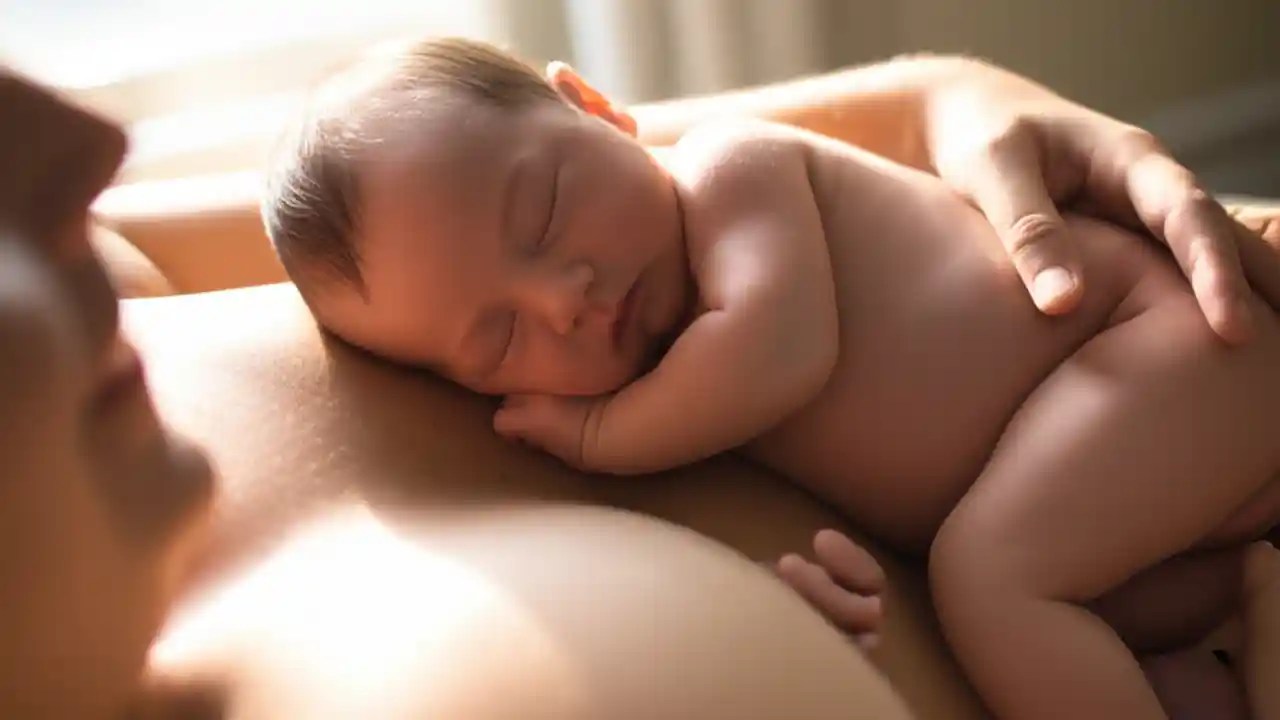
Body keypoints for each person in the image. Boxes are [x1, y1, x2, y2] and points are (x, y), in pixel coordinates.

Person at [4, 44, 1280, 718]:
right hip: (1145, 540)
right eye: (495, 344)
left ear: (604, 112)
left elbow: (781, 349)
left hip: (1145, 338)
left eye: (547, 204)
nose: (561, 298)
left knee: (996, 574)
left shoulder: (727, 181)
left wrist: (598, 429)